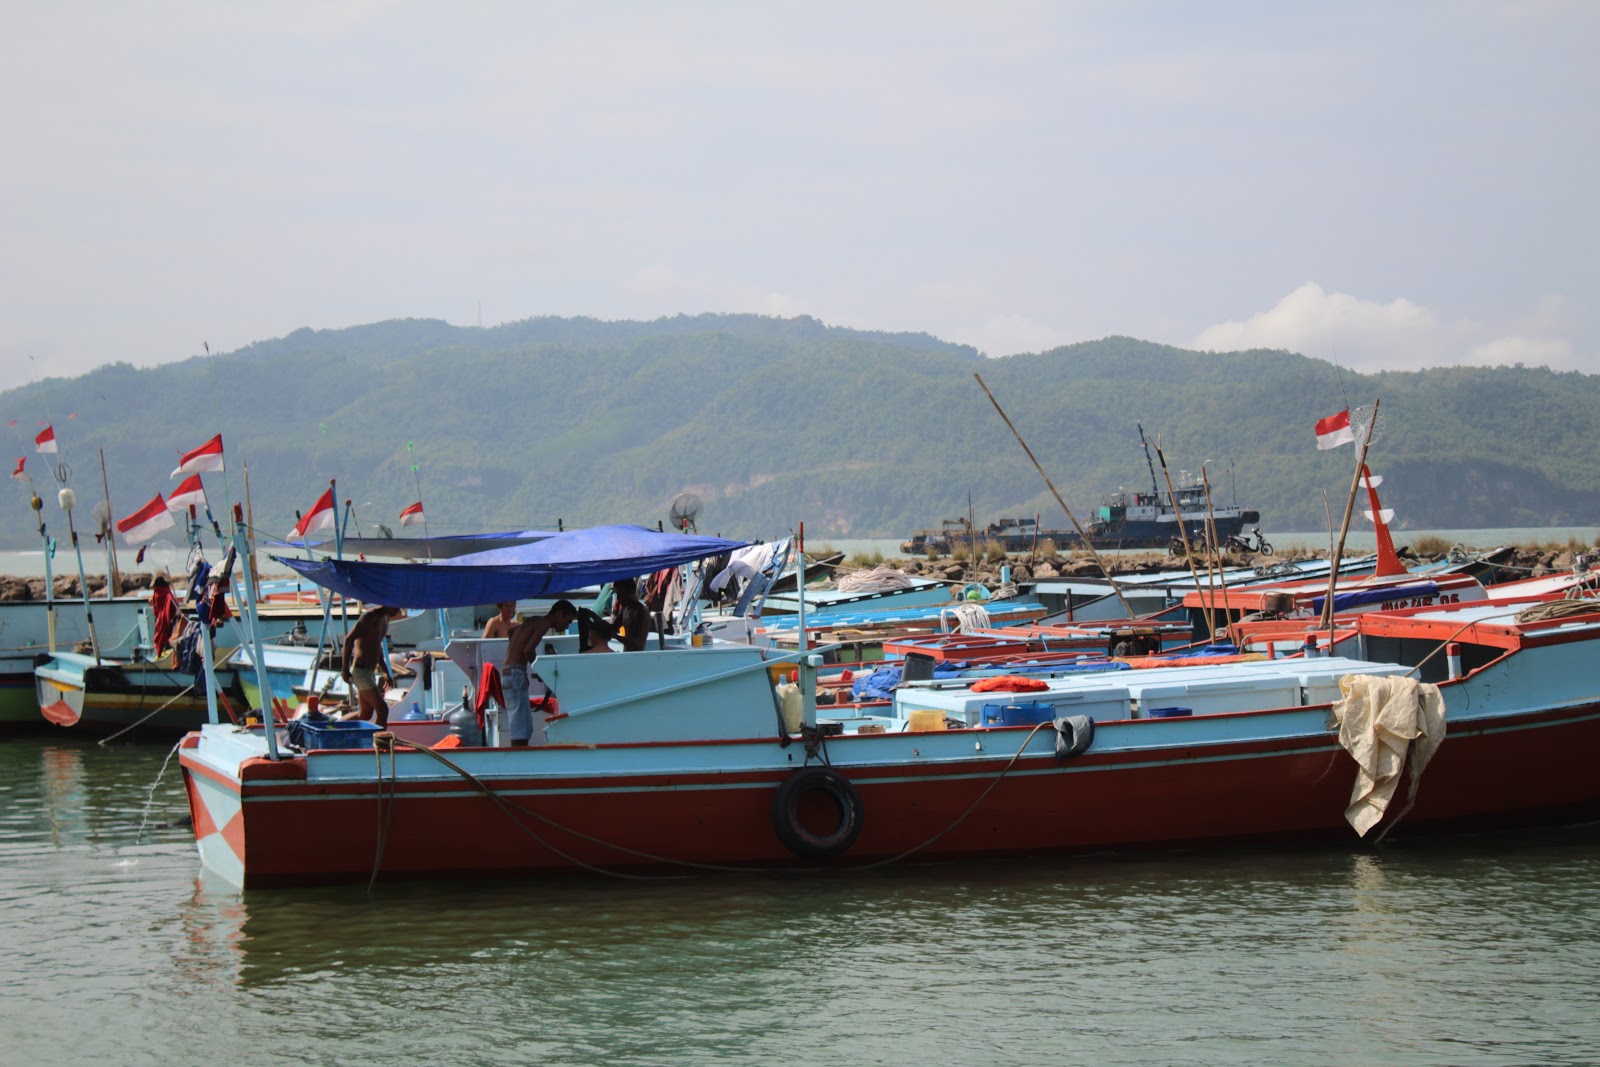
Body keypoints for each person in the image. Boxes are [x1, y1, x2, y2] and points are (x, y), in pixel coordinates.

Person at [502, 600, 578, 746]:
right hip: (516, 672)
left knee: (520, 723)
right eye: (567, 621)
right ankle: (519, 760)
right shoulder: (543, 624)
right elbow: (528, 650)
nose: (567, 626)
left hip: (509, 673)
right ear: (559, 614)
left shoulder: (533, 621)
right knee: (520, 727)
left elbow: (512, 634)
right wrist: (542, 670)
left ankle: (520, 757)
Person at [342, 605, 406, 726]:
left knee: (365, 714)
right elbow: (348, 639)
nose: (398, 610)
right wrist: (344, 669)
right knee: (382, 709)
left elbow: (376, 647)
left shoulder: (386, 618)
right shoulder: (369, 617)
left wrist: (386, 671)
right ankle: (381, 742)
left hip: (370, 672)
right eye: (395, 606)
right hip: (360, 670)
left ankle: (334, 727)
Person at [609, 576, 652, 652]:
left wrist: (615, 636)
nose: (618, 598)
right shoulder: (625, 609)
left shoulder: (641, 611)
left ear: (630, 591)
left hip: (637, 656)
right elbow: (613, 628)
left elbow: (637, 643)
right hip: (627, 654)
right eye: (617, 594)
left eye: (620, 594)